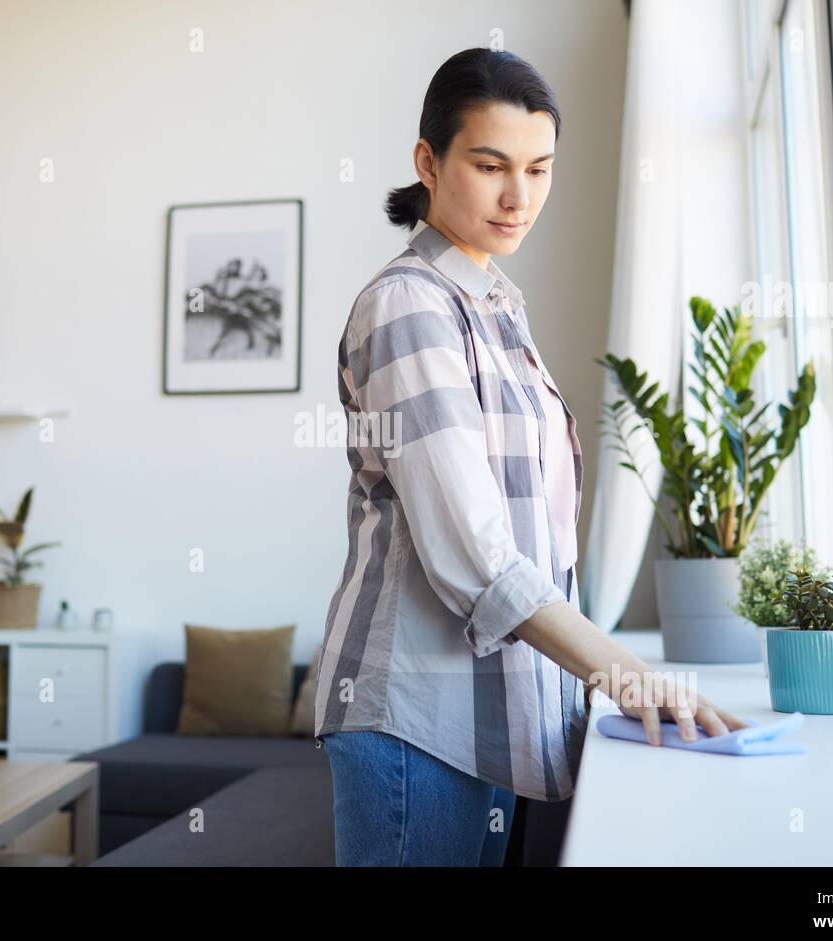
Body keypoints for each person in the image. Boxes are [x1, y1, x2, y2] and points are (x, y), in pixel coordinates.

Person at [313, 47, 746, 867]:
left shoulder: (498, 308)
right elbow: (473, 551)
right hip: (416, 724)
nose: (520, 196)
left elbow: (542, 542)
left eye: (540, 169)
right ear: (428, 162)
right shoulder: (409, 305)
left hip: (490, 721)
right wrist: (624, 672)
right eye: (490, 165)